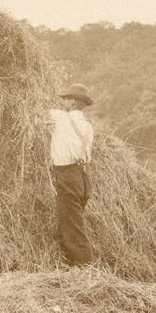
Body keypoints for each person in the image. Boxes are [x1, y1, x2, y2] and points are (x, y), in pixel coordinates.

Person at [48, 84, 96, 266]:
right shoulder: (87, 126)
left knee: (74, 228)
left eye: (66, 99)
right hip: (83, 177)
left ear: (73, 102)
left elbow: (35, 113)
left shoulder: (61, 118)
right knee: (69, 222)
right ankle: (68, 265)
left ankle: (87, 271)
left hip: (67, 175)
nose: (63, 101)